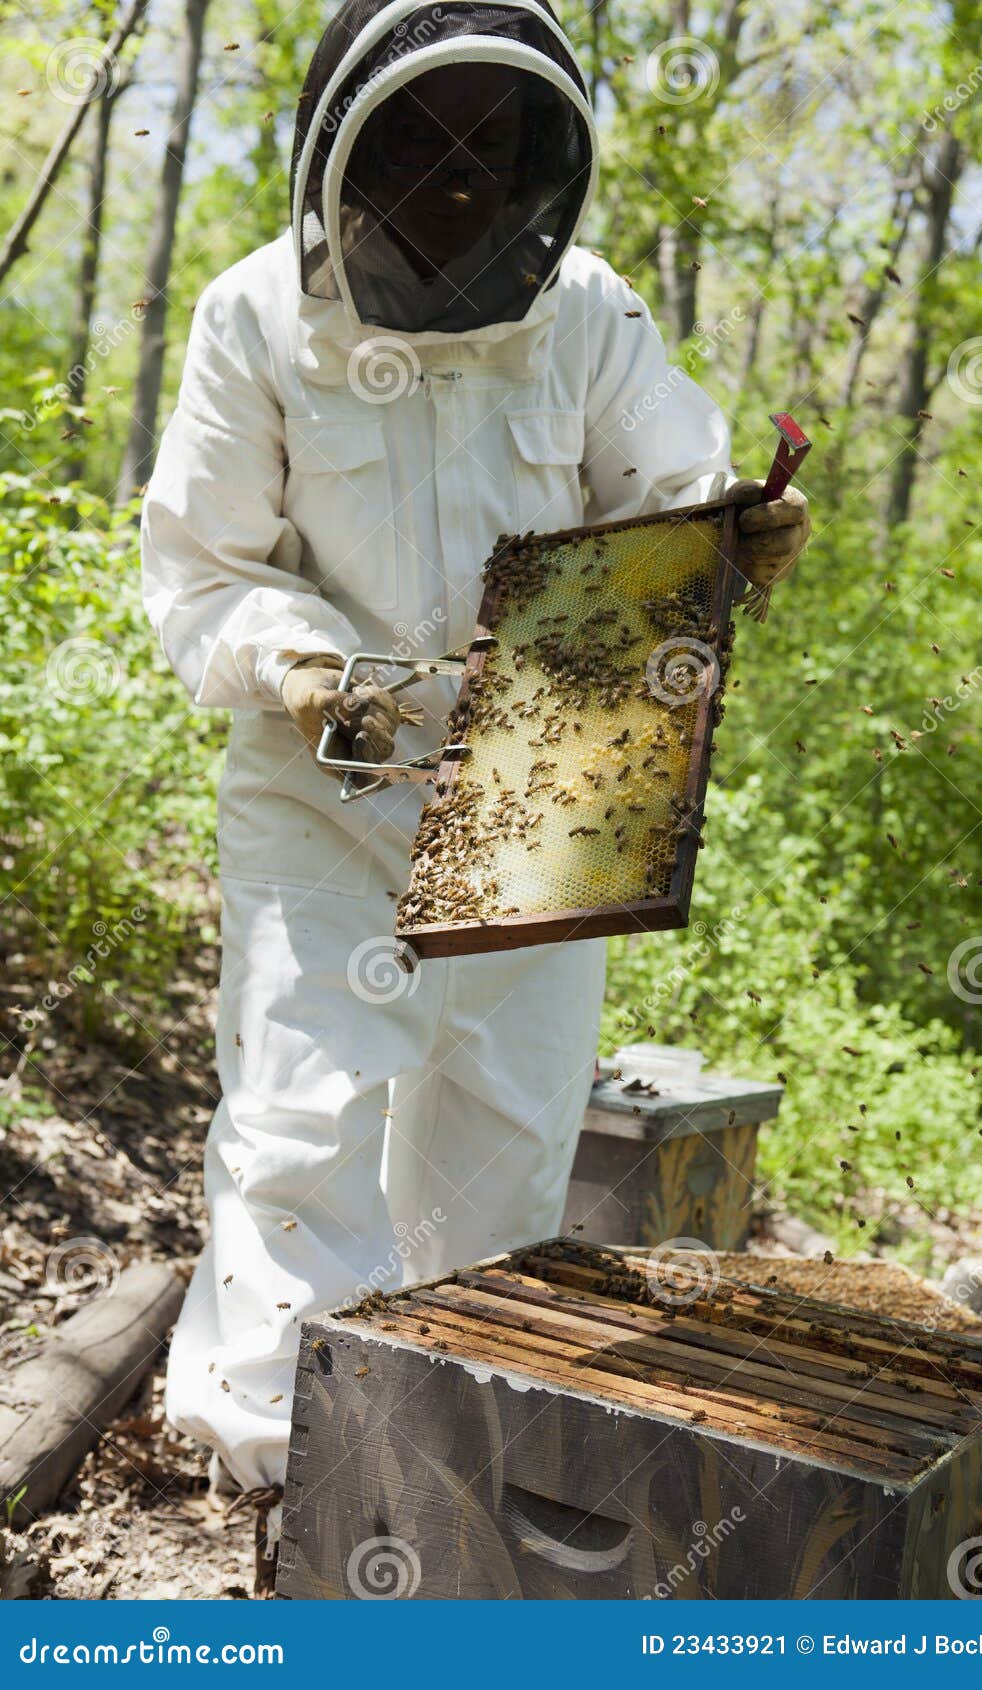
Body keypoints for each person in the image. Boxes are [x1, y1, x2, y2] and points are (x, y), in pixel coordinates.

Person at [141, 0, 810, 1591]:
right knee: (308, 1111)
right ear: (346, 154)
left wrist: (728, 542)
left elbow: (666, 492)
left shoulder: (584, 314)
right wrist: (304, 667)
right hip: (329, 788)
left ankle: (438, 1474)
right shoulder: (255, 320)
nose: (453, 192)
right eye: (422, 157)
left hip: (547, 768)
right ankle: (277, 1476)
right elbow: (200, 575)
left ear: (537, 161)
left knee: (500, 1143)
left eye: (486, 157)